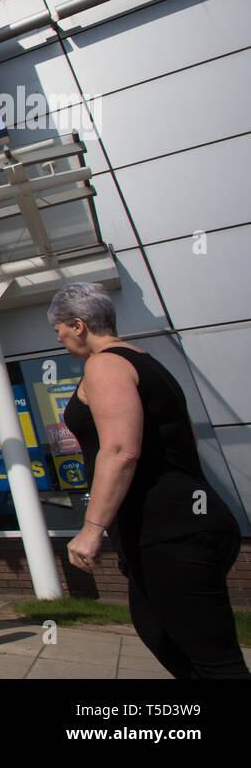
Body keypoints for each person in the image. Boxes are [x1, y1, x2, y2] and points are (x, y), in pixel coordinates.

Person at [52, 282, 249, 679]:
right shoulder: (146, 362)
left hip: (171, 529)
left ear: (78, 325)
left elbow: (120, 450)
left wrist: (92, 529)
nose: (58, 338)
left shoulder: (105, 364)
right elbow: (187, 440)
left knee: (216, 663)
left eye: (58, 329)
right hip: (184, 521)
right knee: (158, 632)